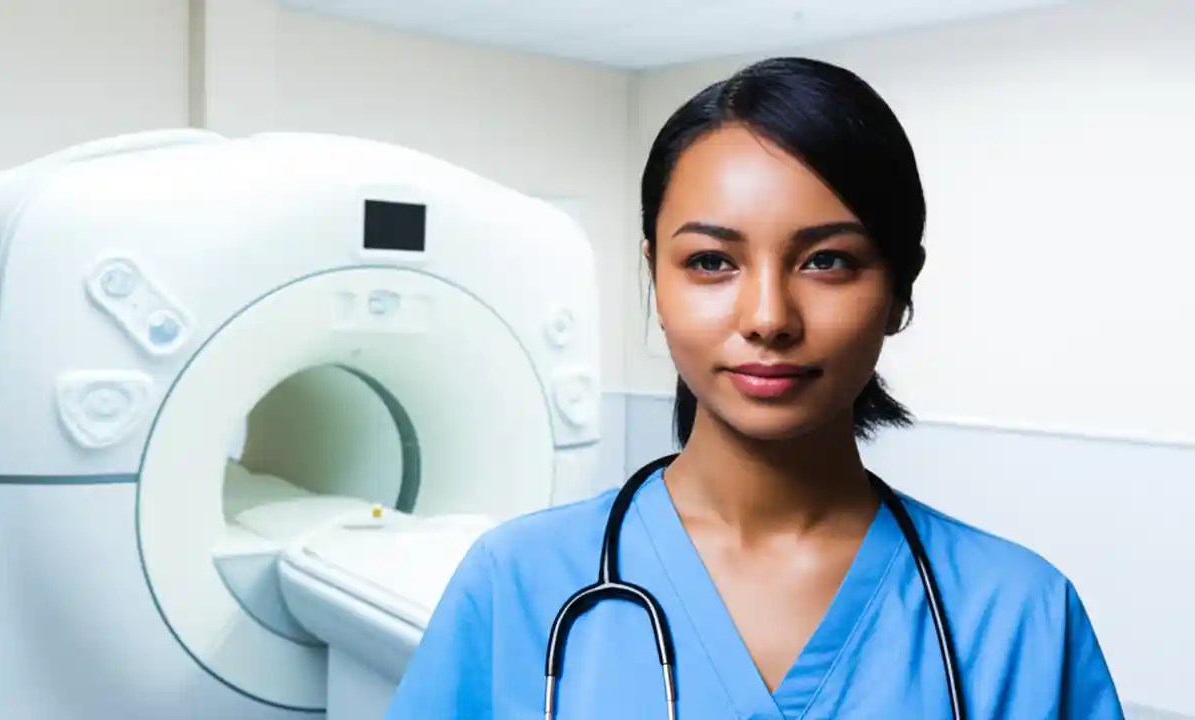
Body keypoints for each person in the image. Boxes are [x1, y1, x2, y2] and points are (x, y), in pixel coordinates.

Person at [386, 56, 1124, 719]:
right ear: (655, 279)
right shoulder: (516, 584)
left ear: (900, 289)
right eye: (711, 262)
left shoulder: (1019, 616)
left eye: (827, 261)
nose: (768, 317)